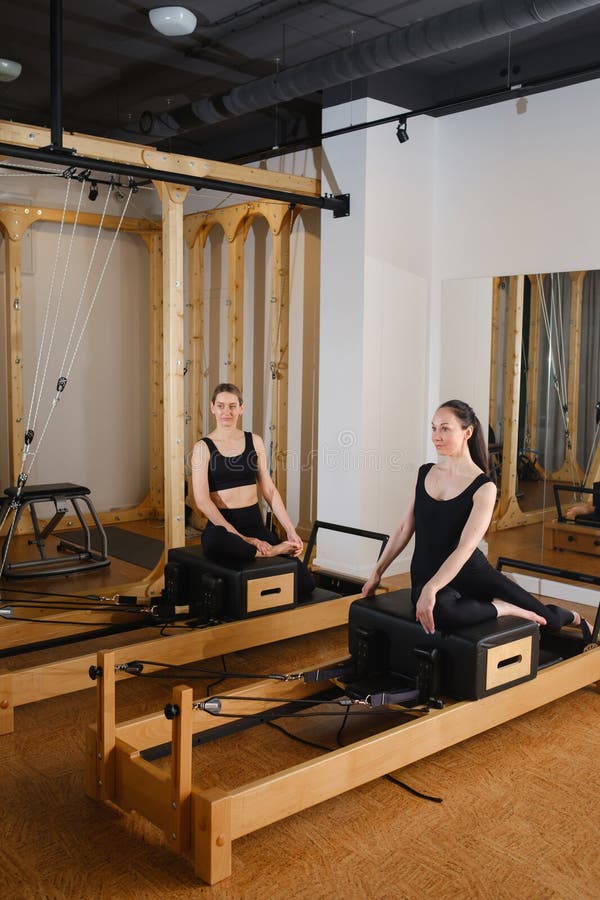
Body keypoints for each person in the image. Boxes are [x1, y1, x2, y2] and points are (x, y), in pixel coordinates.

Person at [362, 399, 593, 641]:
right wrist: (377, 572)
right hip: (427, 574)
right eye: (433, 428)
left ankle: (573, 616)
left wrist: (431, 589)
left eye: (445, 428)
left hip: (472, 573)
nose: (436, 436)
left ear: (467, 433)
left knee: (550, 621)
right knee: (440, 612)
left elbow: (466, 547)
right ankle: (502, 608)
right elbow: (403, 528)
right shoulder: (425, 472)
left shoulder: (484, 487)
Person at [191, 383, 315, 596]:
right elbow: (202, 500)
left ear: (241, 408)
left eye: (232, 406)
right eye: (221, 406)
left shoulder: (254, 441)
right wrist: (242, 538)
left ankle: (265, 549)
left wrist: (291, 530)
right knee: (216, 541)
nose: (226, 412)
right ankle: (272, 551)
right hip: (224, 528)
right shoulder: (202, 448)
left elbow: (270, 491)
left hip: (254, 523)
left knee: (305, 584)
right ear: (212, 408)